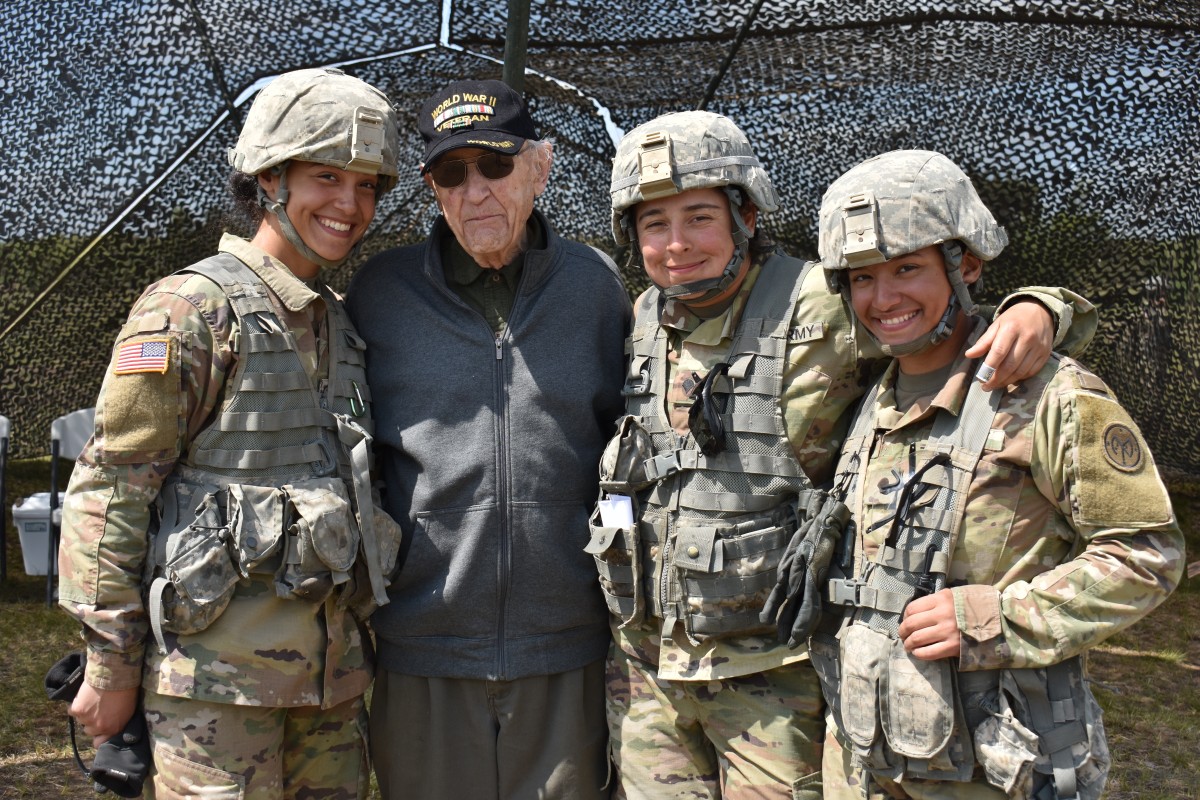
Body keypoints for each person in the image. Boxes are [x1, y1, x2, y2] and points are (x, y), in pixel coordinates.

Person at [591, 111, 1099, 799]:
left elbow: (930, 318)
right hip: (649, 664)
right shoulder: (645, 313)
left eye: (699, 217)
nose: (677, 244)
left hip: (771, 676)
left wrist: (1042, 308)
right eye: (655, 224)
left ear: (745, 215)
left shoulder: (821, 302)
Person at [57, 67, 404, 798]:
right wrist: (111, 666)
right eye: (327, 177)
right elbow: (110, 493)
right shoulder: (192, 309)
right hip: (214, 695)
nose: (350, 204)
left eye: (368, 184)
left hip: (331, 692)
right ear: (269, 178)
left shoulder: (337, 320)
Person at [811, 149, 1184, 799]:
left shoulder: (1052, 394)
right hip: (866, 756)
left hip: (998, 764)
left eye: (907, 268)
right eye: (862, 277)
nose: (884, 296)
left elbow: (1147, 554)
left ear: (968, 265)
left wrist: (995, 618)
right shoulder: (868, 396)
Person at [344, 79, 631, 800]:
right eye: (451, 173)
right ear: (433, 188)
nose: (475, 192)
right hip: (423, 650)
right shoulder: (377, 294)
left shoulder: (599, 287)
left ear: (541, 165)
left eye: (496, 166)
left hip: (565, 646)